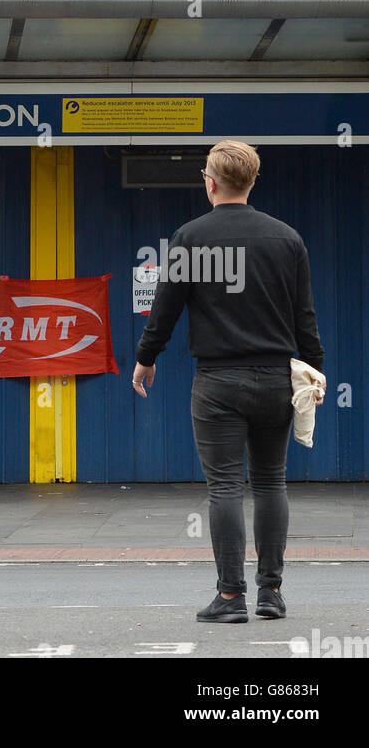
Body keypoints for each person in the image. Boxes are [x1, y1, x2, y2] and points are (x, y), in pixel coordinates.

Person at [132, 140, 325, 624]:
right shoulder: (287, 239)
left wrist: (145, 357)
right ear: (252, 180)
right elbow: (305, 316)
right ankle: (271, 593)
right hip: (276, 378)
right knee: (270, 482)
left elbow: (166, 308)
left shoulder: (189, 238)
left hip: (218, 381)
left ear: (210, 182)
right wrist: (316, 368)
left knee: (224, 487)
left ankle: (230, 597)